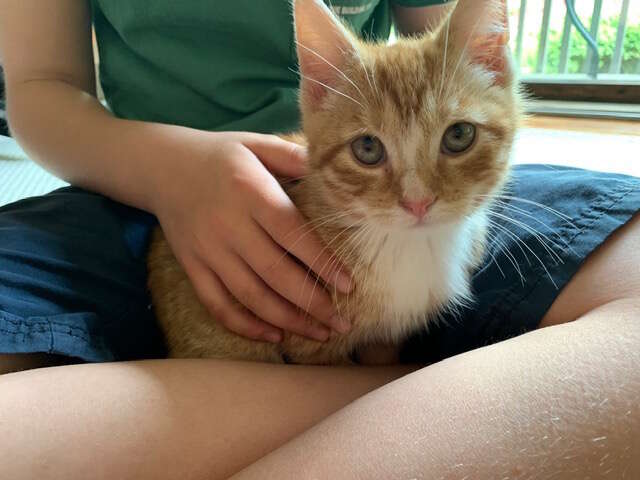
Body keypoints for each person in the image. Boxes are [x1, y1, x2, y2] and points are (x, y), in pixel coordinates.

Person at [0, 1, 638, 478]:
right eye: (373, 151)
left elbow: (446, 54)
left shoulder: (429, 157)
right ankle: (430, 395)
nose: (417, 198)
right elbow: (39, 85)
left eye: (457, 140)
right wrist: (170, 172)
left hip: (385, 189)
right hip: (121, 187)